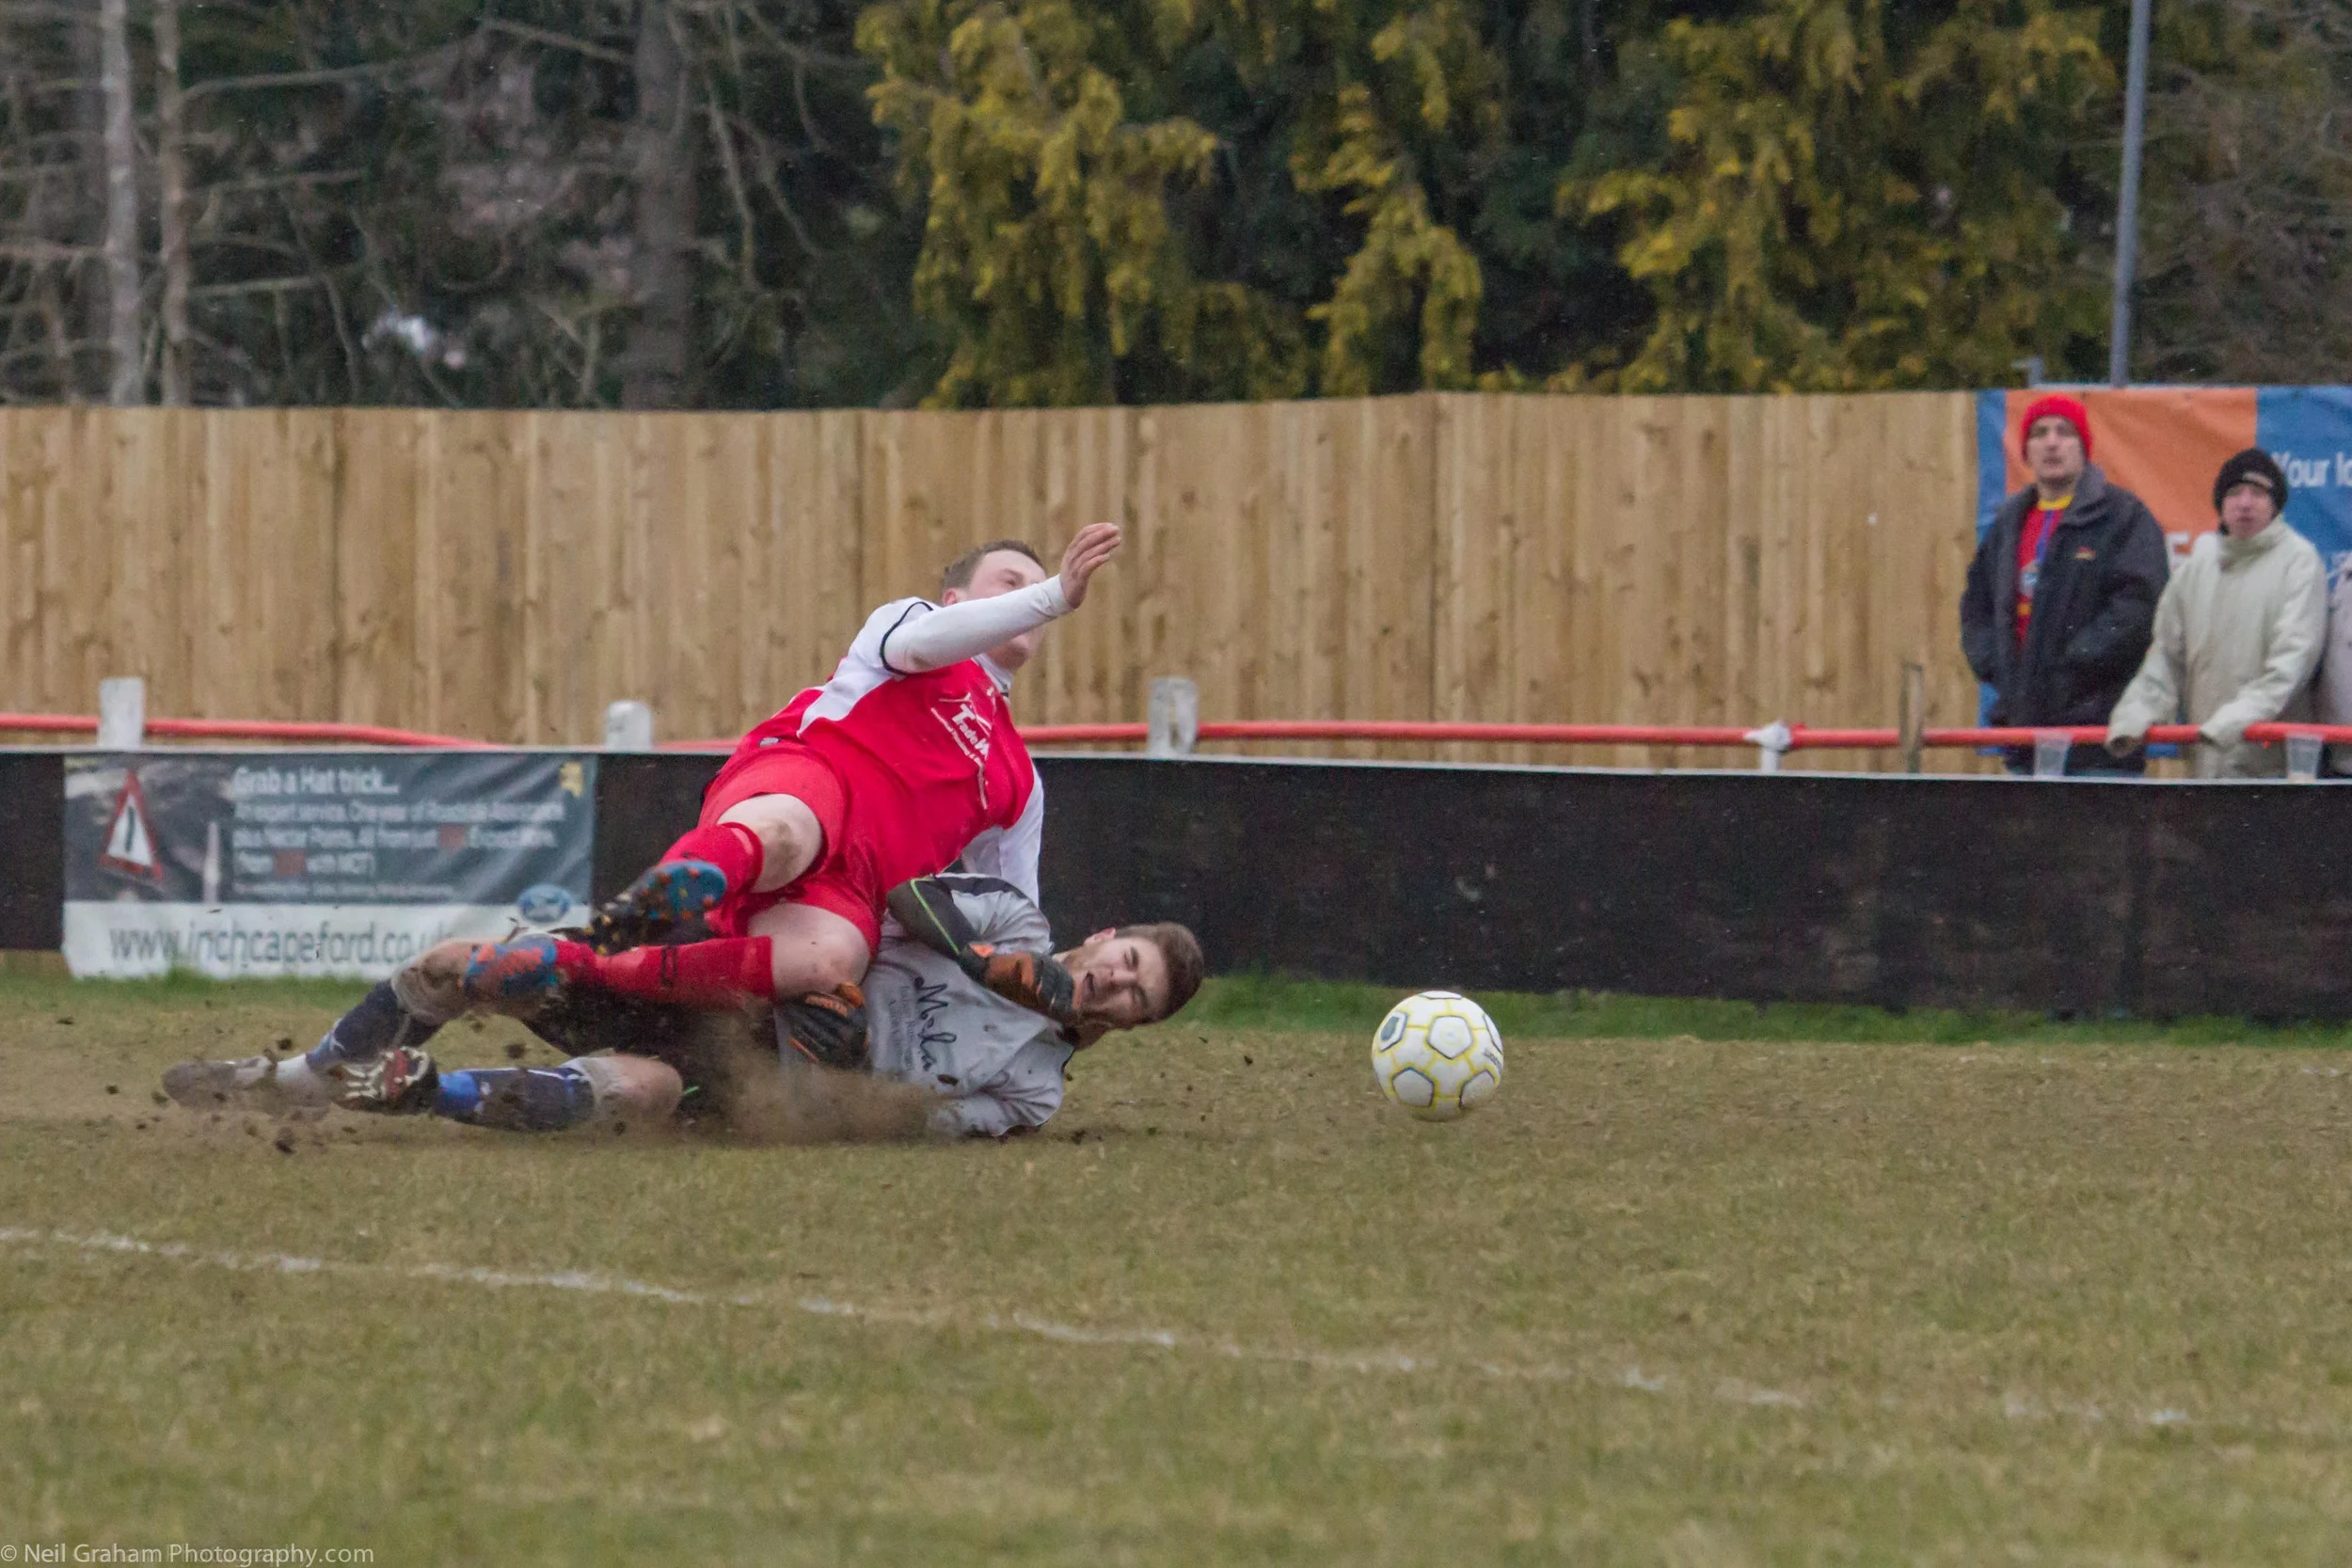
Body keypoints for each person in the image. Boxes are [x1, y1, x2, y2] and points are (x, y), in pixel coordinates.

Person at [164, 876, 1205, 1140]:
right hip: (722, 976)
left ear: (1133, 1030)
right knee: (465, 964)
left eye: (1132, 999)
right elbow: (905, 902)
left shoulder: (1032, 1094)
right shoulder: (1013, 913)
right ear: (1101, 935)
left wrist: (811, 1078)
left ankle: (429, 1090)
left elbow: (902, 1123)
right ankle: (304, 1079)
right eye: (1119, 963)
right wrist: (1022, 973)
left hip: (762, 1065)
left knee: (637, 1089)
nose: (1113, 985)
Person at [1961, 394, 2170, 774]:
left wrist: (2070, 667)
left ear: (2084, 447)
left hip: (2097, 739)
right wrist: (2000, 669)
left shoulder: (2123, 517)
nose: (2052, 442)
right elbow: (1976, 609)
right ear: (2026, 450)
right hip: (2022, 736)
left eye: (2065, 432)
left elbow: (2138, 608)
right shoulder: (2009, 523)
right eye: (2040, 433)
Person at [2106, 450, 2326, 778]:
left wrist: (2230, 723)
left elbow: (2291, 665)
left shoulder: (2300, 562)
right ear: (2221, 504)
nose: (2245, 503)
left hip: (2274, 771)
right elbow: (2166, 658)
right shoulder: (2197, 566)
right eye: (2235, 493)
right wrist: (2132, 718)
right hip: (2204, 763)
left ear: (2276, 504)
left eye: (2258, 493)